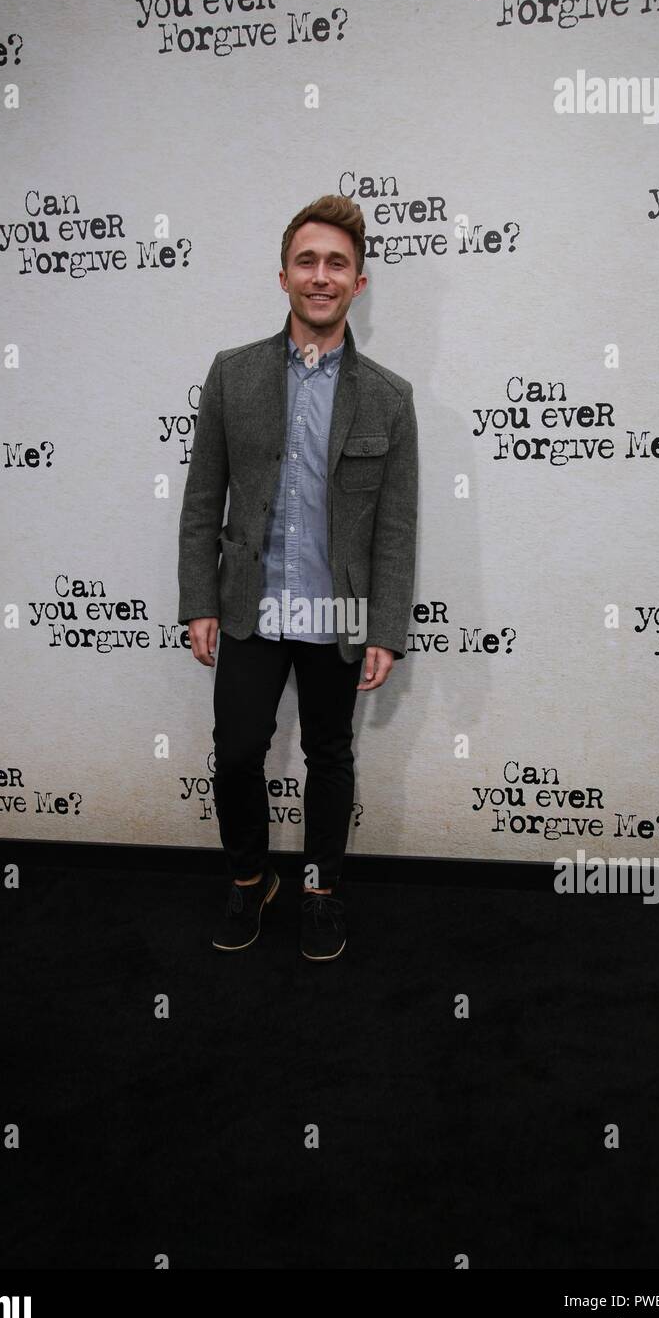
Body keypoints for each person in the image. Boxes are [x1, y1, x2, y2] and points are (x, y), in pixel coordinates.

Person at [177, 194, 418, 961]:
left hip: (340, 611)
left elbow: (396, 525)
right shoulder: (232, 374)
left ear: (360, 282)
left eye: (337, 264)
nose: (322, 276)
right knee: (239, 752)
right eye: (308, 262)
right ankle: (249, 882)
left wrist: (385, 627)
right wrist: (199, 601)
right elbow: (200, 501)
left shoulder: (389, 396)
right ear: (283, 276)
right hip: (249, 602)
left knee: (331, 755)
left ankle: (319, 890)